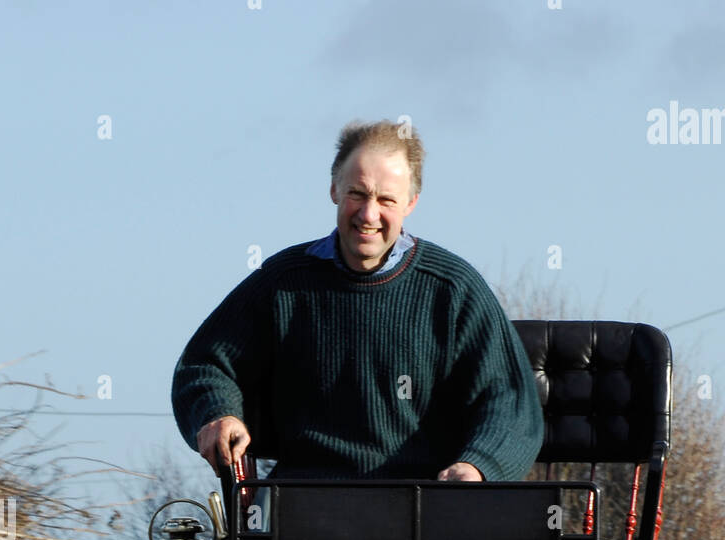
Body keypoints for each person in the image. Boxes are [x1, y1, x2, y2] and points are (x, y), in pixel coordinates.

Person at [171, 120, 544, 486]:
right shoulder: (282, 283)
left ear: (411, 203)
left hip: (424, 503)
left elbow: (509, 401)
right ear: (334, 189)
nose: (368, 214)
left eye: (386, 200)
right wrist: (218, 416)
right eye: (357, 194)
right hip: (302, 500)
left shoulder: (454, 289)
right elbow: (205, 364)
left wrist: (476, 467)